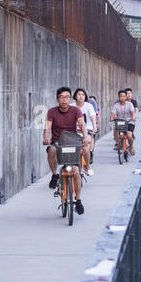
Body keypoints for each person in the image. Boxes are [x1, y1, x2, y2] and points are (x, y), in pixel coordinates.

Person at [44, 86, 86, 214]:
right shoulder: (51, 112)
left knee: (76, 171)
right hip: (57, 143)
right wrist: (46, 138)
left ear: (70, 99)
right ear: (57, 99)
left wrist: (85, 136)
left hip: (72, 142)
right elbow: (47, 127)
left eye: (67, 97)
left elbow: (81, 124)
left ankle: (78, 200)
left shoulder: (76, 111)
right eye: (61, 97)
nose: (64, 100)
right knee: (51, 150)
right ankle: (55, 175)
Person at [73, 87, 97, 177]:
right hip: (74, 131)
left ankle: (87, 166)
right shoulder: (71, 106)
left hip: (87, 130)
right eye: (79, 94)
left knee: (85, 148)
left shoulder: (88, 106)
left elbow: (92, 117)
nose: (81, 96)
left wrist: (94, 127)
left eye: (83, 95)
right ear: (75, 96)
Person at [110, 88, 136, 160]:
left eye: (124, 96)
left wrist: (133, 117)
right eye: (121, 96)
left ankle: (131, 147)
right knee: (116, 132)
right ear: (118, 97)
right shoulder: (116, 105)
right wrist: (112, 118)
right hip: (120, 122)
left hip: (129, 121)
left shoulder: (130, 104)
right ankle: (118, 143)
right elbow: (113, 113)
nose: (122, 97)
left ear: (126, 97)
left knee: (129, 135)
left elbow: (133, 112)